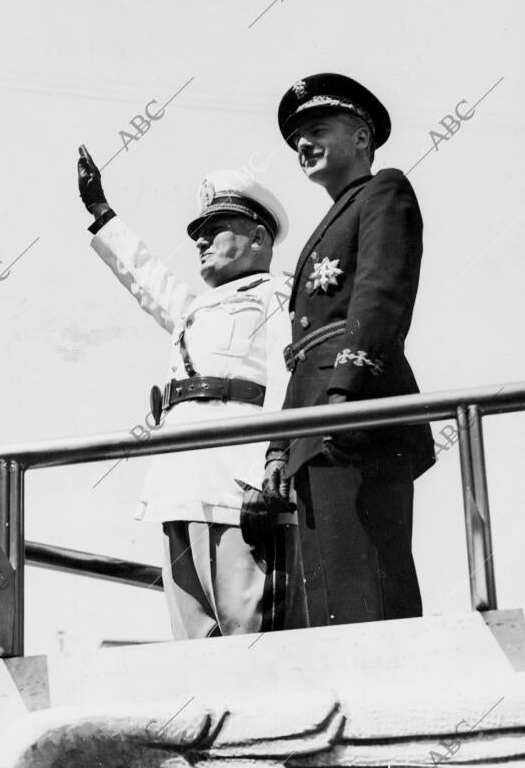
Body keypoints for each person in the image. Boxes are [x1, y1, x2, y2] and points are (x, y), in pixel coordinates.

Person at [77, 146, 308, 639]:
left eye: (215, 228)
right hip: (179, 489)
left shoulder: (277, 294)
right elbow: (147, 279)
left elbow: (289, 379)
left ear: (259, 238)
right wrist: (102, 212)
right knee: (194, 649)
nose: (200, 239)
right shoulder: (194, 309)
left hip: (238, 486)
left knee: (253, 636)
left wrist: (273, 462)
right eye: (198, 232)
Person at [263, 73, 435, 627]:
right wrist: (278, 445)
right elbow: (303, 348)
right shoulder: (331, 219)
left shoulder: (384, 189)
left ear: (361, 137)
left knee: (368, 582)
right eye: (296, 140)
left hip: (357, 411)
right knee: (330, 588)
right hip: (318, 417)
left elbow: (382, 296)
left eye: (316, 129)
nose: (303, 146)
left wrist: (347, 394)